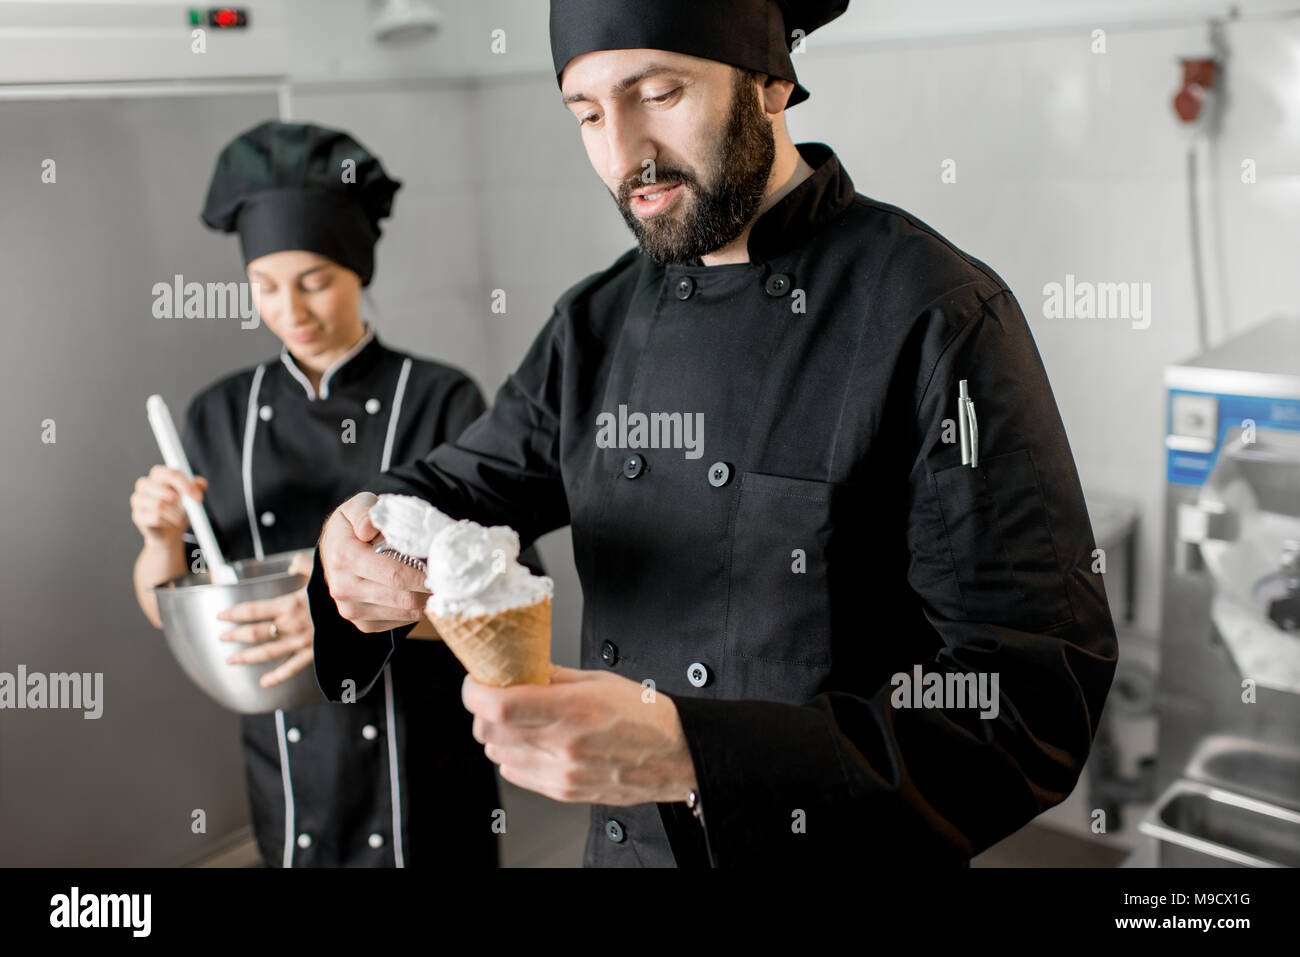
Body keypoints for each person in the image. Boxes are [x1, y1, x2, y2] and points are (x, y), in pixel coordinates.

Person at [304, 0, 1118, 867]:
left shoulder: (936, 315)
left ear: (770, 83)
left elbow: (1030, 703)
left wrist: (694, 757)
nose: (623, 155)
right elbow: (453, 489)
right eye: (587, 115)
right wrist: (357, 535)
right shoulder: (595, 323)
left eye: (658, 93)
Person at [130, 120, 522, 867]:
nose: (292, 310)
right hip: (288, 770)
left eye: (313, 281)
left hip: (422, 756)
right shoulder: (217, 414)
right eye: (265, 287)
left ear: (358, 269)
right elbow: (169, 606)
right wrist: (160, 537)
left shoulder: (439, 397)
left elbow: (503, 602)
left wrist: (345, 616)